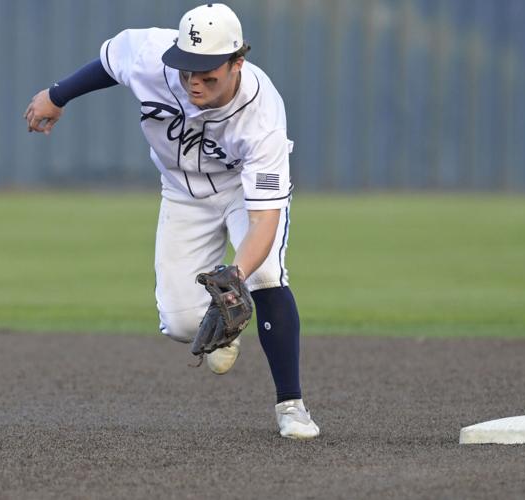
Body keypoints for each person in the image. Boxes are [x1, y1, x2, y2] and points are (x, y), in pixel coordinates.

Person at [24, 3, 319, 439]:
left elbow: (264, 221)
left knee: (266, 275)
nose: (194, 82)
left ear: (238, 62)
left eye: (208, 75)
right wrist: (55, 95)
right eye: (187, 71)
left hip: (241, 192)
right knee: (181, 324)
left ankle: (291, 406)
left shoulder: (263, 117)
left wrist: (236, 275)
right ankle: (225, 331)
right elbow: (110, 61)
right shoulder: (153, 54)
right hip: (182, 191)